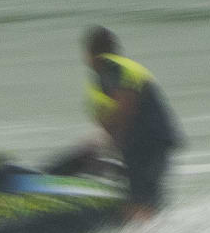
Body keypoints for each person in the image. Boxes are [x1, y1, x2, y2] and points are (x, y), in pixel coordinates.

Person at [54, 25, 182, 222]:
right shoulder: (109, 73)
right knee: (143, 197)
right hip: (149, 141)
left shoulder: (111, 67)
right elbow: (107, 117)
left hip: (146, 142)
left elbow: (125, 105)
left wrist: (112, 143)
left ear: (90, 53)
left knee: (140, 200)